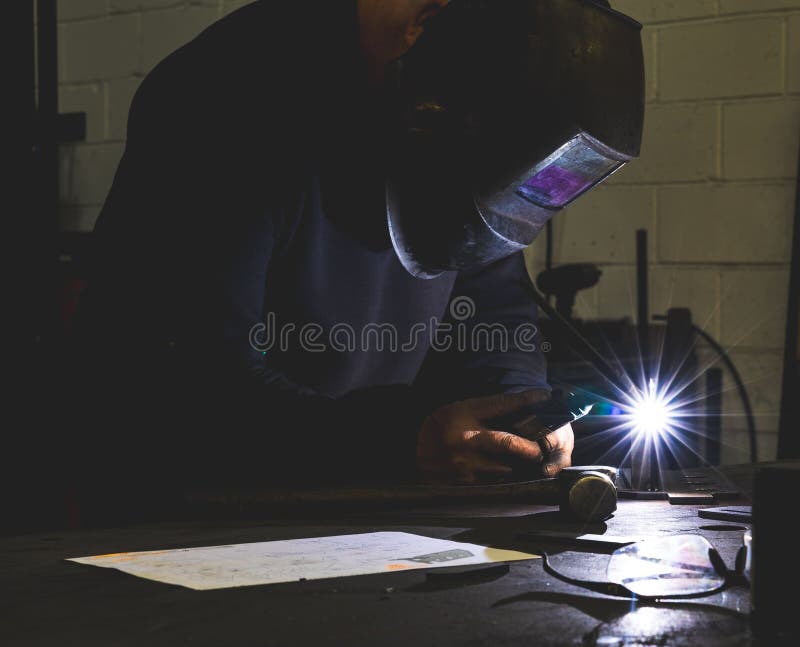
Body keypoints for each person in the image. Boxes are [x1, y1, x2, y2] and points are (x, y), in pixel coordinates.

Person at [73, 0, 575, 493]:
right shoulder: (222, 94)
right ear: (427, 17)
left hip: (346, 499)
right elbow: (196, 381)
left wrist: (522, 413)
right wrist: (396, 444)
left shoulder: (449, 99)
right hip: (183, 507)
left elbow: (495, 302)